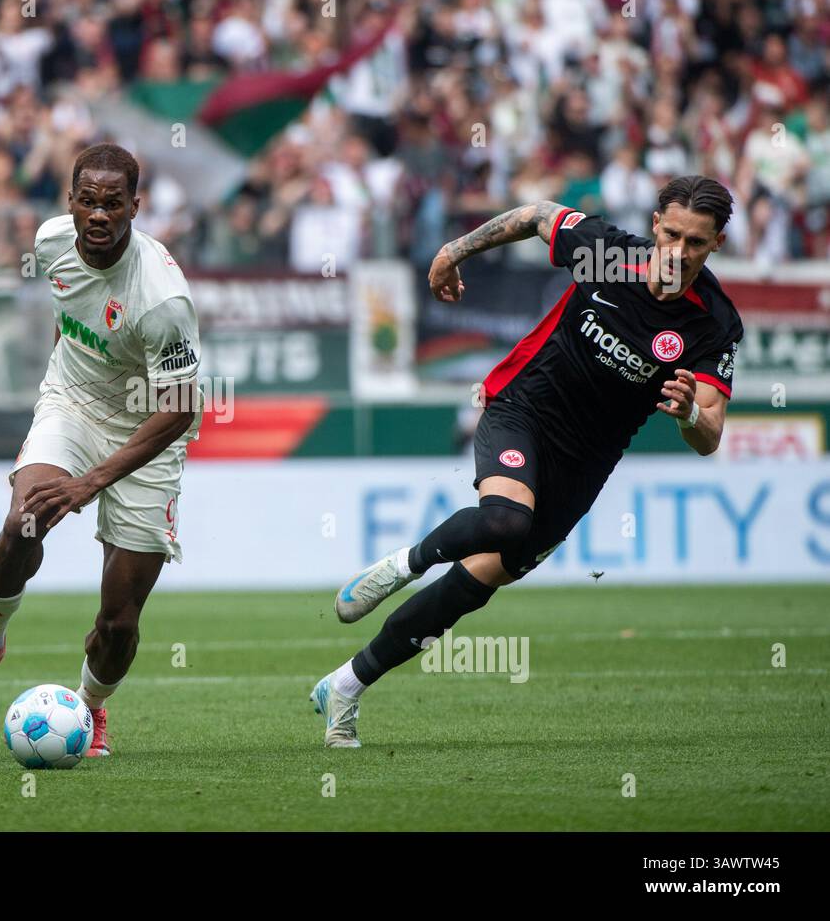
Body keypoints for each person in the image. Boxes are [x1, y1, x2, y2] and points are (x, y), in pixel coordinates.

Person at [312, 175, 744, 747]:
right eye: (670, 235)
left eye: (695, 242)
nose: (678, 253)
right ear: (654, 225)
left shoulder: (714, 322)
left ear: (716, 243)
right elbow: (535, 215)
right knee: (505, 518)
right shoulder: (606, 256)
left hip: (586, 460)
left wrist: (689, 414)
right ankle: (402, 565)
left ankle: (345, 686)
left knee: (476, 584)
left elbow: (710, 434)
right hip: (521, 407)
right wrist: (452, 252)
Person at [0, 144, 202, 757]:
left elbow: (181, 408)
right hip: (72, 403)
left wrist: (89, 483)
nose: (98, 214)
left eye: (113, 203)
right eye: (87, 201)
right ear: (70, 202)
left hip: (148, 433)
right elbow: (68, 312)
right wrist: (63, 393)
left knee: (119, 621)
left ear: (136, 206)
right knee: (24, 520)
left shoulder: (162, 298)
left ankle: (93, 708)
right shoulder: (51, 242)